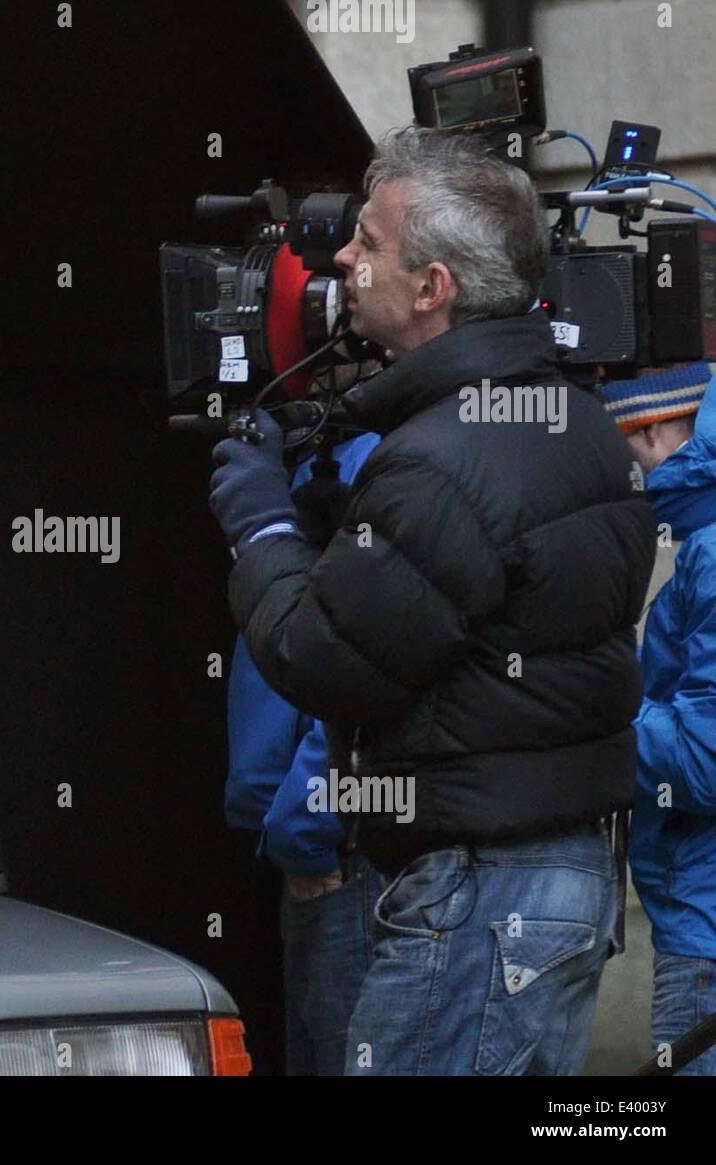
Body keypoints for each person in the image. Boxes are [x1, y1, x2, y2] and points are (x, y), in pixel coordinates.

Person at [209, 126, 657, 1075]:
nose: (341, 258)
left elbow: (318, 657)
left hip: (478, 898)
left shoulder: (446, 460)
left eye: (368, 242)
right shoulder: (566, 417)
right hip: (549, 890)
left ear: (432, 288)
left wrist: (261, 524)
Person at [225, 428, 383, 1075]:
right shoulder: (316, 456)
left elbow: (363, 661)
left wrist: (307, 825)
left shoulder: (377, 455)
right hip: (308, 848)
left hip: (345, 856)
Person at [603, 361, 716, 1075]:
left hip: (706, 935)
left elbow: (705, 763)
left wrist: (599, 698)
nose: (632, 470)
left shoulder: (711, 556)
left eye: (633, 445)